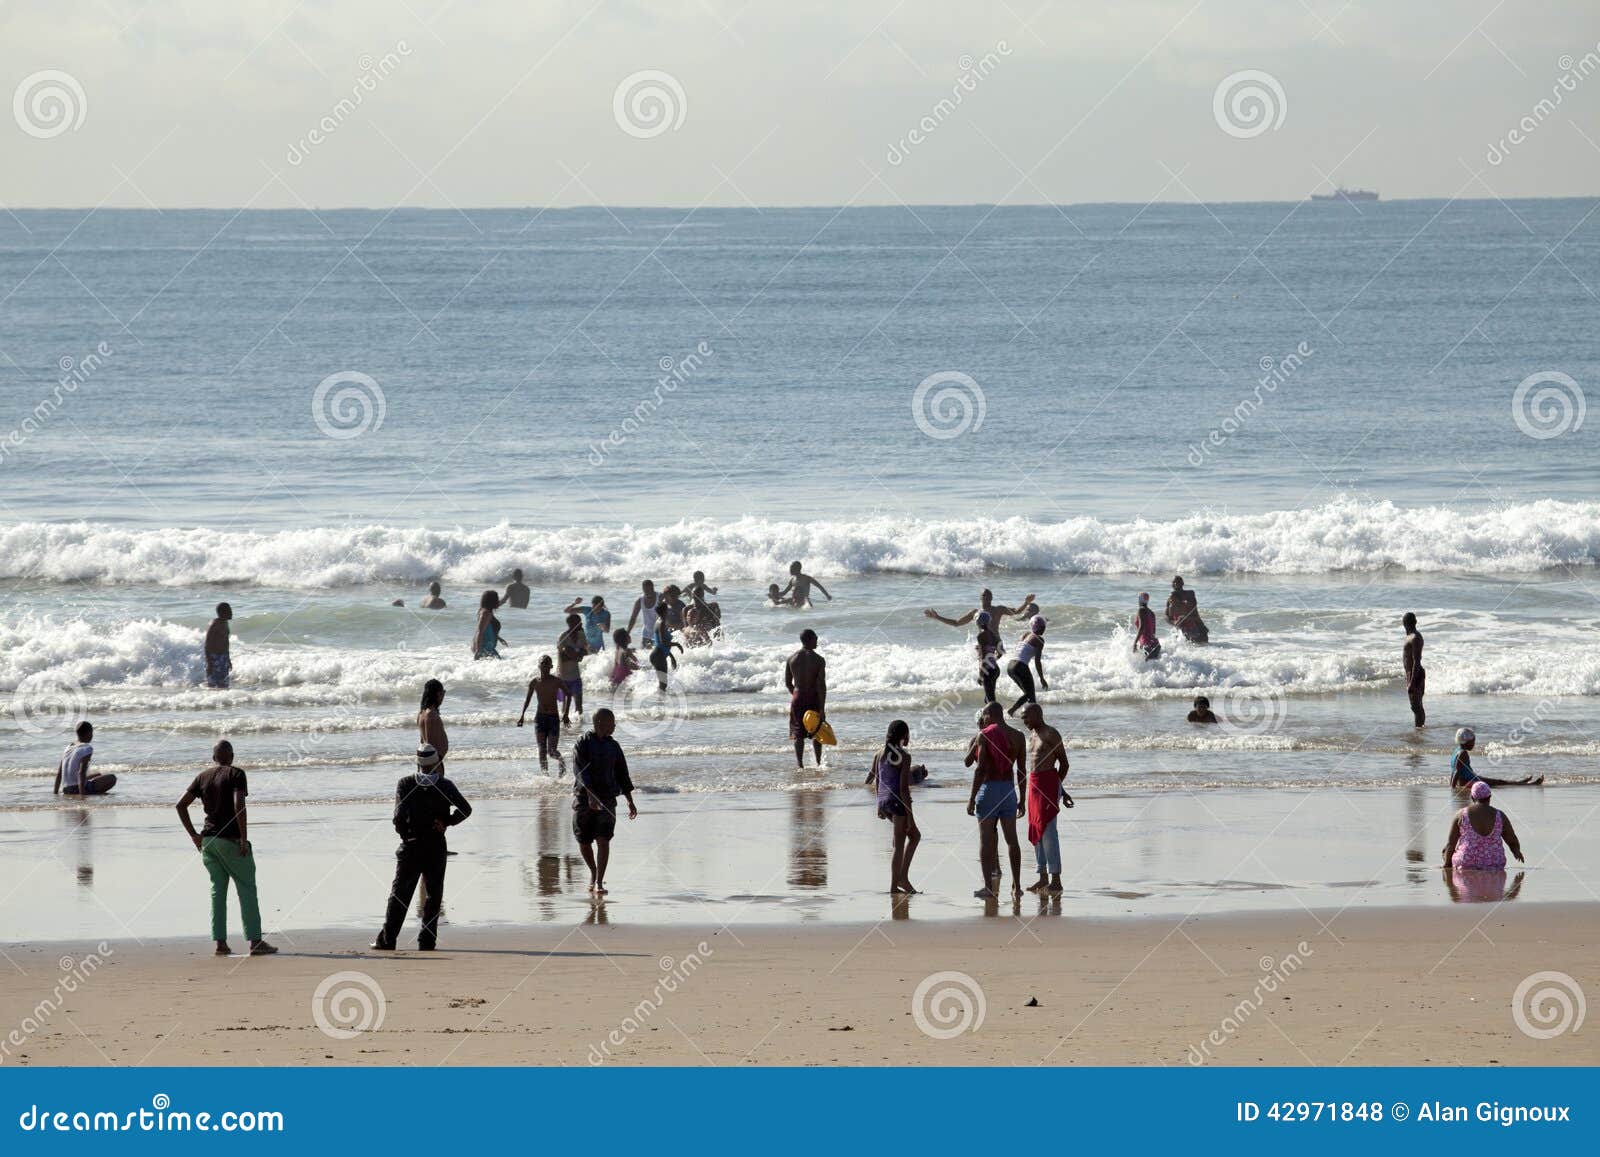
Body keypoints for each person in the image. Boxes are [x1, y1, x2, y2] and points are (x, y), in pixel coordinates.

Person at [175, 740, 276, 956]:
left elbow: (180, 805)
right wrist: (242, 838)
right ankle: (256, 942)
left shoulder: (202, 776)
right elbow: (239, 804)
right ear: (231, 756)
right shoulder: (236, 774)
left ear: (213, 758)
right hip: (229, 840)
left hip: (209, 842)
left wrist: (194, 835)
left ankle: (220, 943)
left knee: (217, 892)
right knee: (247, 888)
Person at [371, 744, 473, 951]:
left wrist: (404, 835)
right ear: (437, 763)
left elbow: (398, 816)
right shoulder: (445, 786)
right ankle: (427, 941)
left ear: (417, 762)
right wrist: (447, 823)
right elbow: (466, 809)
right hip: (436, 845)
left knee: (400, 894)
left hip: (411, 845)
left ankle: (388, 939)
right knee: (433, 894)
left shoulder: (405, 783)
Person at [965, 702, 1027, 899]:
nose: (983, 719)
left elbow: (980, 768)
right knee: (1012, 840)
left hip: (989, 788)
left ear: (990, 714)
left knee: (986, 840)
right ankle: (1017, 887)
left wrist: (971, 798)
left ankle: (989, 889)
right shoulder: (1019, 736)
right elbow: (1022, 771)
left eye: (984, 715)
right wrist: (1022, 798)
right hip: (1009, 790)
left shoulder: (985, 735)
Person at [572, 708, 638, 895]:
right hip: (584, 798)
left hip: (607, 798)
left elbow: (622, 773)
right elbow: (580, 771)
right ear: (600, 723)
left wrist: (629, 800)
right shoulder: (583, 743)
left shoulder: (613, 746)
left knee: (603, 839)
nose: (615, 725)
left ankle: (599, 881)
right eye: (612, 722)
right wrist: (591, 795)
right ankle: (593, 871)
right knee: (583, 840)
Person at [1020, 704, 1070, 894]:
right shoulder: (1031, 735)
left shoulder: (1051, 734)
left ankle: (1056, 879)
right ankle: (1042, 877)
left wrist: (1058, 788)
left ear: (1037, 715)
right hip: (1034, 785)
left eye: (1026, 717)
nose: (1024, 721)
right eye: (1023, 718)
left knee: (1048, 831)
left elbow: (1064, 763)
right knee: (1036, 830)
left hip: (1048, 783)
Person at [872, 720, 920, 894]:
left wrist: (879, 805)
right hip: (896, 801)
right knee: (906, 840)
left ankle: (900, 880)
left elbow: (877, 780)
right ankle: (898, 882)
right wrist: (911, 819)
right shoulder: (904, 757)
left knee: (901, 838)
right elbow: (903, 789)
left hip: (884, 801)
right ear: (904, 736)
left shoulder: (879, 754)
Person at [1442, 781, 1524, 873]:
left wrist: (1447, 864)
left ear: (1472, 797)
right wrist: (1516, 852)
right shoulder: (1500, 815)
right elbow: (1511, 839)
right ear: (1489, 797)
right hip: (1494, 863)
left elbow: (1451, 844)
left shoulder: (1461, 814)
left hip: (1466, 862)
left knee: (1445, 850)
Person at [785, 629, 828, 768]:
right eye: (815, 638)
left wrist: (796, 695)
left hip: (797, 697)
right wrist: (822, 708)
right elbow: (821, 685)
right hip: (813, 697)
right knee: (816, 732)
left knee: (798, 733)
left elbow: (787, 683)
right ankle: (818, 762)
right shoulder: (819, 660)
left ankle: (800, 765)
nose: (817, 641)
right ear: (810, 640)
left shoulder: (791, 658)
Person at [517, 656, 566, 773]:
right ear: (539, 666)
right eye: (542, 664)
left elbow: (568, 694)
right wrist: (522, 716)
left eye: (547, 664)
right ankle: (545, 775)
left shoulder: (556, 681)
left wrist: (566, 714)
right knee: (541, 750)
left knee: (552, 751)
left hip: (553, 718)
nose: (545, 666)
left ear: (551, 667)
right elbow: (527, 700)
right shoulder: (534, 682)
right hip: (540, 718)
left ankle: (561, 761)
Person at [1449, 728, 1542, 788]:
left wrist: (1453, 784)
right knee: (1499, 783)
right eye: (1472, 742)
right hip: (1469, 782)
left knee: (1498, 782)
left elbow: (1454, 770)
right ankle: (1528, 784)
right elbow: (1457, 771)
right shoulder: (1463, 753)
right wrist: (1452, 788)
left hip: (1469, 779)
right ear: (1466, 741)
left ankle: (1522, 782)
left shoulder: (1457, 750)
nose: (1474, 744)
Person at [53, 721, 117, 796]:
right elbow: (81, 772)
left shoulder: (68, 747)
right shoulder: (86, 748)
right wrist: (82, 796)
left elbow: (59, 773)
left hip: (66, 789)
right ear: (89, 733)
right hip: (76, 789)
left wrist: (55, 793)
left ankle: (88, 792)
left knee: (98, 774)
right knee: (112, 778)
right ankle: (90, 793)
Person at [924, 588, 1036, 628]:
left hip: (995, 641)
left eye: (988, 595)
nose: (985, 597)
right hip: (983, 642)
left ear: (992, 598)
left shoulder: (998, 609)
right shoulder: (975, 613)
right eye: (983, 595)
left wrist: (1026, 602)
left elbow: (1016, 612)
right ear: (980, 598)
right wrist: (937, 617)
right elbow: (957, 623)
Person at [1006, 615, 1048, 716]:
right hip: (1020, 666)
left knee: (1028, 694)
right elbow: (1037, 661)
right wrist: (1042, 678)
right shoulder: (1040, 640)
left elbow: (1020, 649)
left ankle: (1019, 713)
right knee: (1030, 696)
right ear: (1041, 628)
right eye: (1043, 627)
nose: (1044, 629)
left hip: (1010, 666)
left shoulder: (1025, 635)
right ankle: (1014, 712)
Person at [557, 613, 587, 726]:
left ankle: (578, 726)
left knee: (579, 705)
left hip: (575, 675)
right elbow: (562, 656)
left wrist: (575, 654)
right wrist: (575, 654)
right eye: (579, 622)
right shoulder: (563, 637)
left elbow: (585, 651)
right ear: (572, 624)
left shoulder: (581, 635)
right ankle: (564, 726)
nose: (581, 624)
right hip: (563, 676)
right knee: (564, 706)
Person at [1164, 576, 1209, 644]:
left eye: (1178, 582)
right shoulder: (1170, 600)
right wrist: (1174, 622)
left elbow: (1195, 615)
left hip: (1197, 629)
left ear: (1183, 583)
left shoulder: (1190, 595)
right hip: (1182, 631)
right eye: (1174, 582)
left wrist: (1184, 618)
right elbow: (1166, 617)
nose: (1176, 584)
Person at [682, 571, 721, 645]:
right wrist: (714, 590)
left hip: (699, 604)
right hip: (694, 605)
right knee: (686, 611)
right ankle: (687, 628)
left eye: (703, 578)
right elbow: (712, 592)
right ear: (696, 579)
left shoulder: (697, 586)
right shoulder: (695, 586)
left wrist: (714, 590)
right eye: (702, 578)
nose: (703, 579)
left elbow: (712, 592)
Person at [975, 611, 1004, 704]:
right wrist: (992, 659)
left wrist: (980, 674)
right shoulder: (993, 634)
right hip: (995, 669)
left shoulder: (981, 635)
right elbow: (1000, 653)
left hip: (988, 671)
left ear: (978, 622)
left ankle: (997, 717)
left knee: (991, 701)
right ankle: (990, 717)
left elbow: (983, 657)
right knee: (988, 699)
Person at [1402, 612, 1425, 726]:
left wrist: (1411, 681)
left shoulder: (1415, 637)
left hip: (1415, 674)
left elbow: (1417, 660)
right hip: (1411, 674)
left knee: (1416, 706)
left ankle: (1419, 729)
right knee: (1415, 706)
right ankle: (1419, 728)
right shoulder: (1409, 636)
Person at [418, 679, 448, 765]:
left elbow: (422, 742)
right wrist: (433, 767)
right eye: (443, 693)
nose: (443, 697)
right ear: (438, 694)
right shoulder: (431, 715)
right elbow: (428, 745)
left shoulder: (421, 713)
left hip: (430, 761)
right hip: (433, 763)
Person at [204, 602, 233, 689]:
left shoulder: (225, 623)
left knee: (224, 684)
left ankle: (222, 699)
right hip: (214, 658)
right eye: (229, 611)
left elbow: (226, 643)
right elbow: (207, 643)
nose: (232, 613)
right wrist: (209, 662)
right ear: (223, 613)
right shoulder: (215, 624)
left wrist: (228, 659)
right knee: (213, 685)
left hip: (223, 657)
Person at [649, 620, 683, 692]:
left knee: (663, 683)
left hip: (660, 655)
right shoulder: (660, 627)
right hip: (658, 656)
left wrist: (672, 657)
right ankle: (659, 699)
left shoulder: (665, 629)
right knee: (663, 683)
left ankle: (660, 698)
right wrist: (677, 644)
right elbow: (663, 644)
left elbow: (664, 647)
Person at [627, 580, 660, 648]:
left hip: (659, 632)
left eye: (649, 590)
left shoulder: (660, 597)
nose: (647, 592)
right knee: (645, 654)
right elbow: (633, 617)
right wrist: (628, 632)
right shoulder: (640, 600)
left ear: (653, 588)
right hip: (646, 633)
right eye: (645, 590)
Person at [473, 590, 504, 659]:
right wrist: (478, 651)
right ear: (492, 601)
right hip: (485, 648)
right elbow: (480, 631)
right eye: (496, 599)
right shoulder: (486, 613)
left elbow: (487, 628)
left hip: (487, 647)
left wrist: (499, 638)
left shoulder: (484, 611)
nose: (498, 601)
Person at [1133, 592, 1161, 661]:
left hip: (1147, 644)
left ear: (1139, 599)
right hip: (1155, 644)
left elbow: (1141, 627)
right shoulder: (1152, 613)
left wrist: (1135, 642)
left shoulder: (1141, 610)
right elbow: (1153, 632)